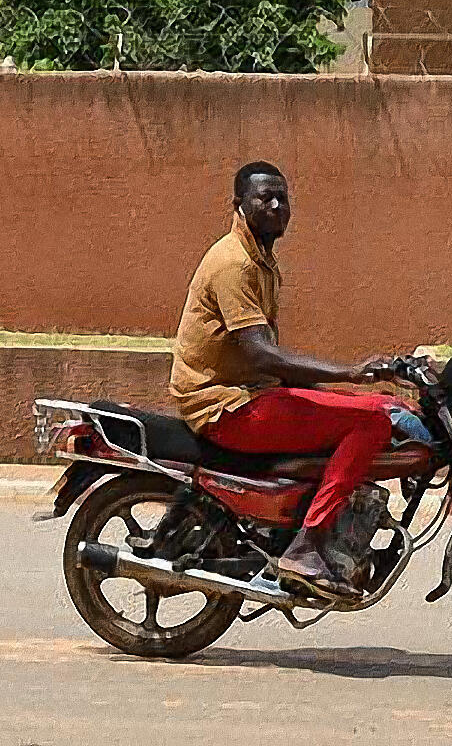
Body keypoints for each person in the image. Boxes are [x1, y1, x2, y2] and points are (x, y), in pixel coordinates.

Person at [169, 159, 406, 598]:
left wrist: (331, 388)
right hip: (226, 406)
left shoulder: (260, 259)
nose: (277, 206)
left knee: (372, 409)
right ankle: (308, 544)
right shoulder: (234, 264)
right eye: (265, 198)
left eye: (283, 198)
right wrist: (350, 373)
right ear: (238, 205)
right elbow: (261, 353)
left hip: (250, 392)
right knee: (372, 420)